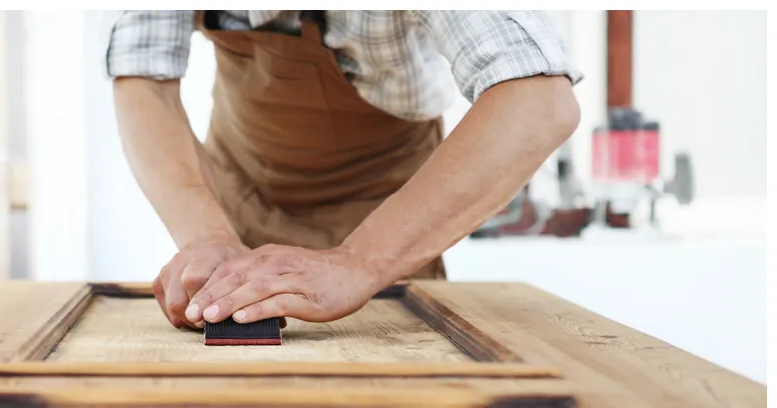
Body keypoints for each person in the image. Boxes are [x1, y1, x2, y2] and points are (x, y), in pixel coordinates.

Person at [105, 11, 582, 328]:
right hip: (237, 187)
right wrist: (203, 234)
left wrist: (359, 261)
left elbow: (540, 100)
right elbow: (143, 78)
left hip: (384, 200)